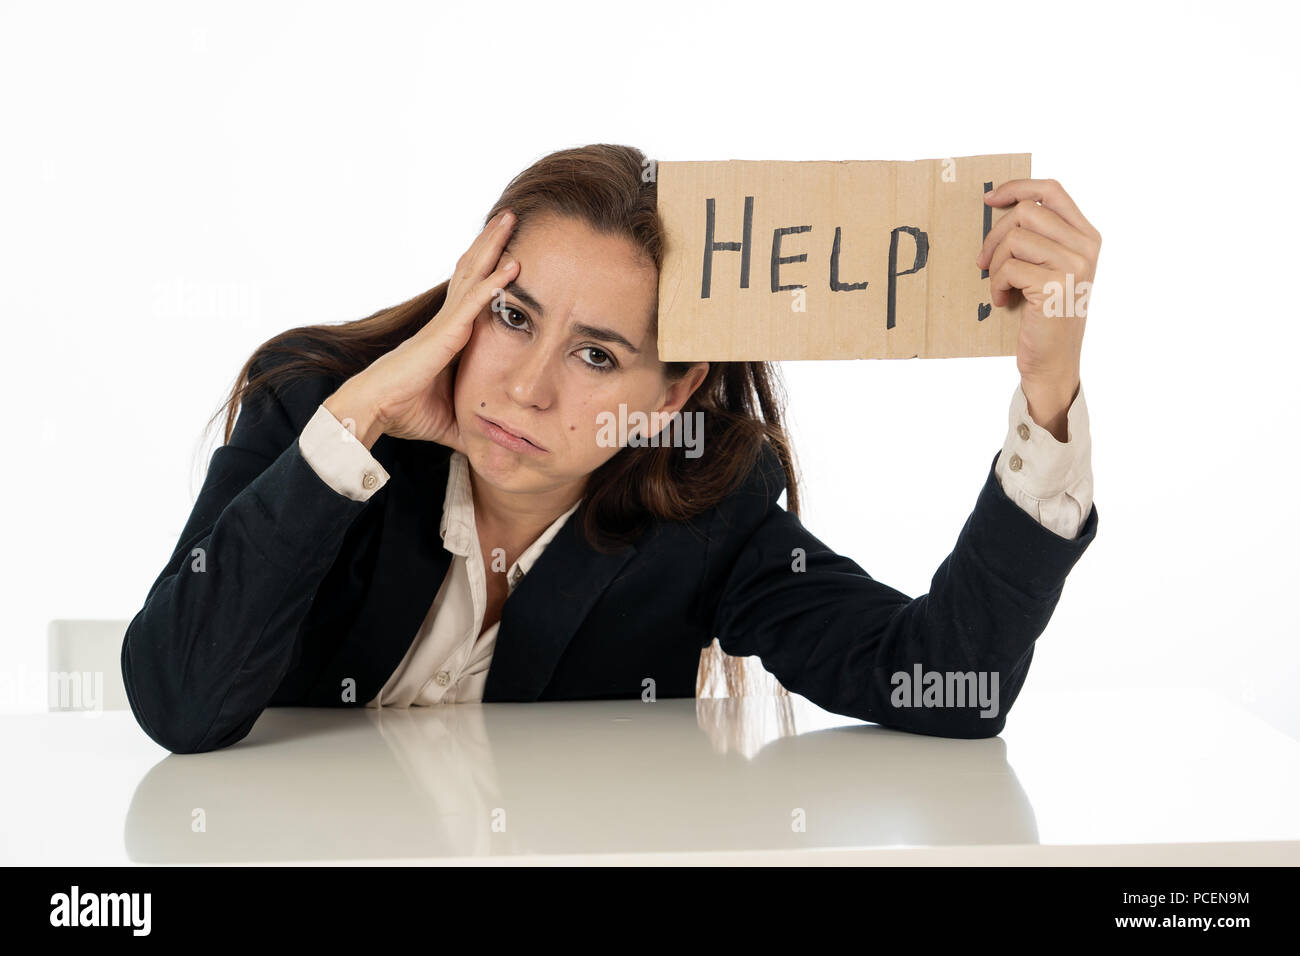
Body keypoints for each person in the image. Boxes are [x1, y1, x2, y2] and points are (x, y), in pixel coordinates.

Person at [121, 144, 1100, 754]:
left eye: (597, 353)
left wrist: (1047, 384)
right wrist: (356, 421)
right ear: (466, 290)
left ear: (672, 391)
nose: (526, 385)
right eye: (511, 315)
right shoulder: (320, 418)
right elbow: (180, 701)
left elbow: (950, 678)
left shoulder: (705, 506)